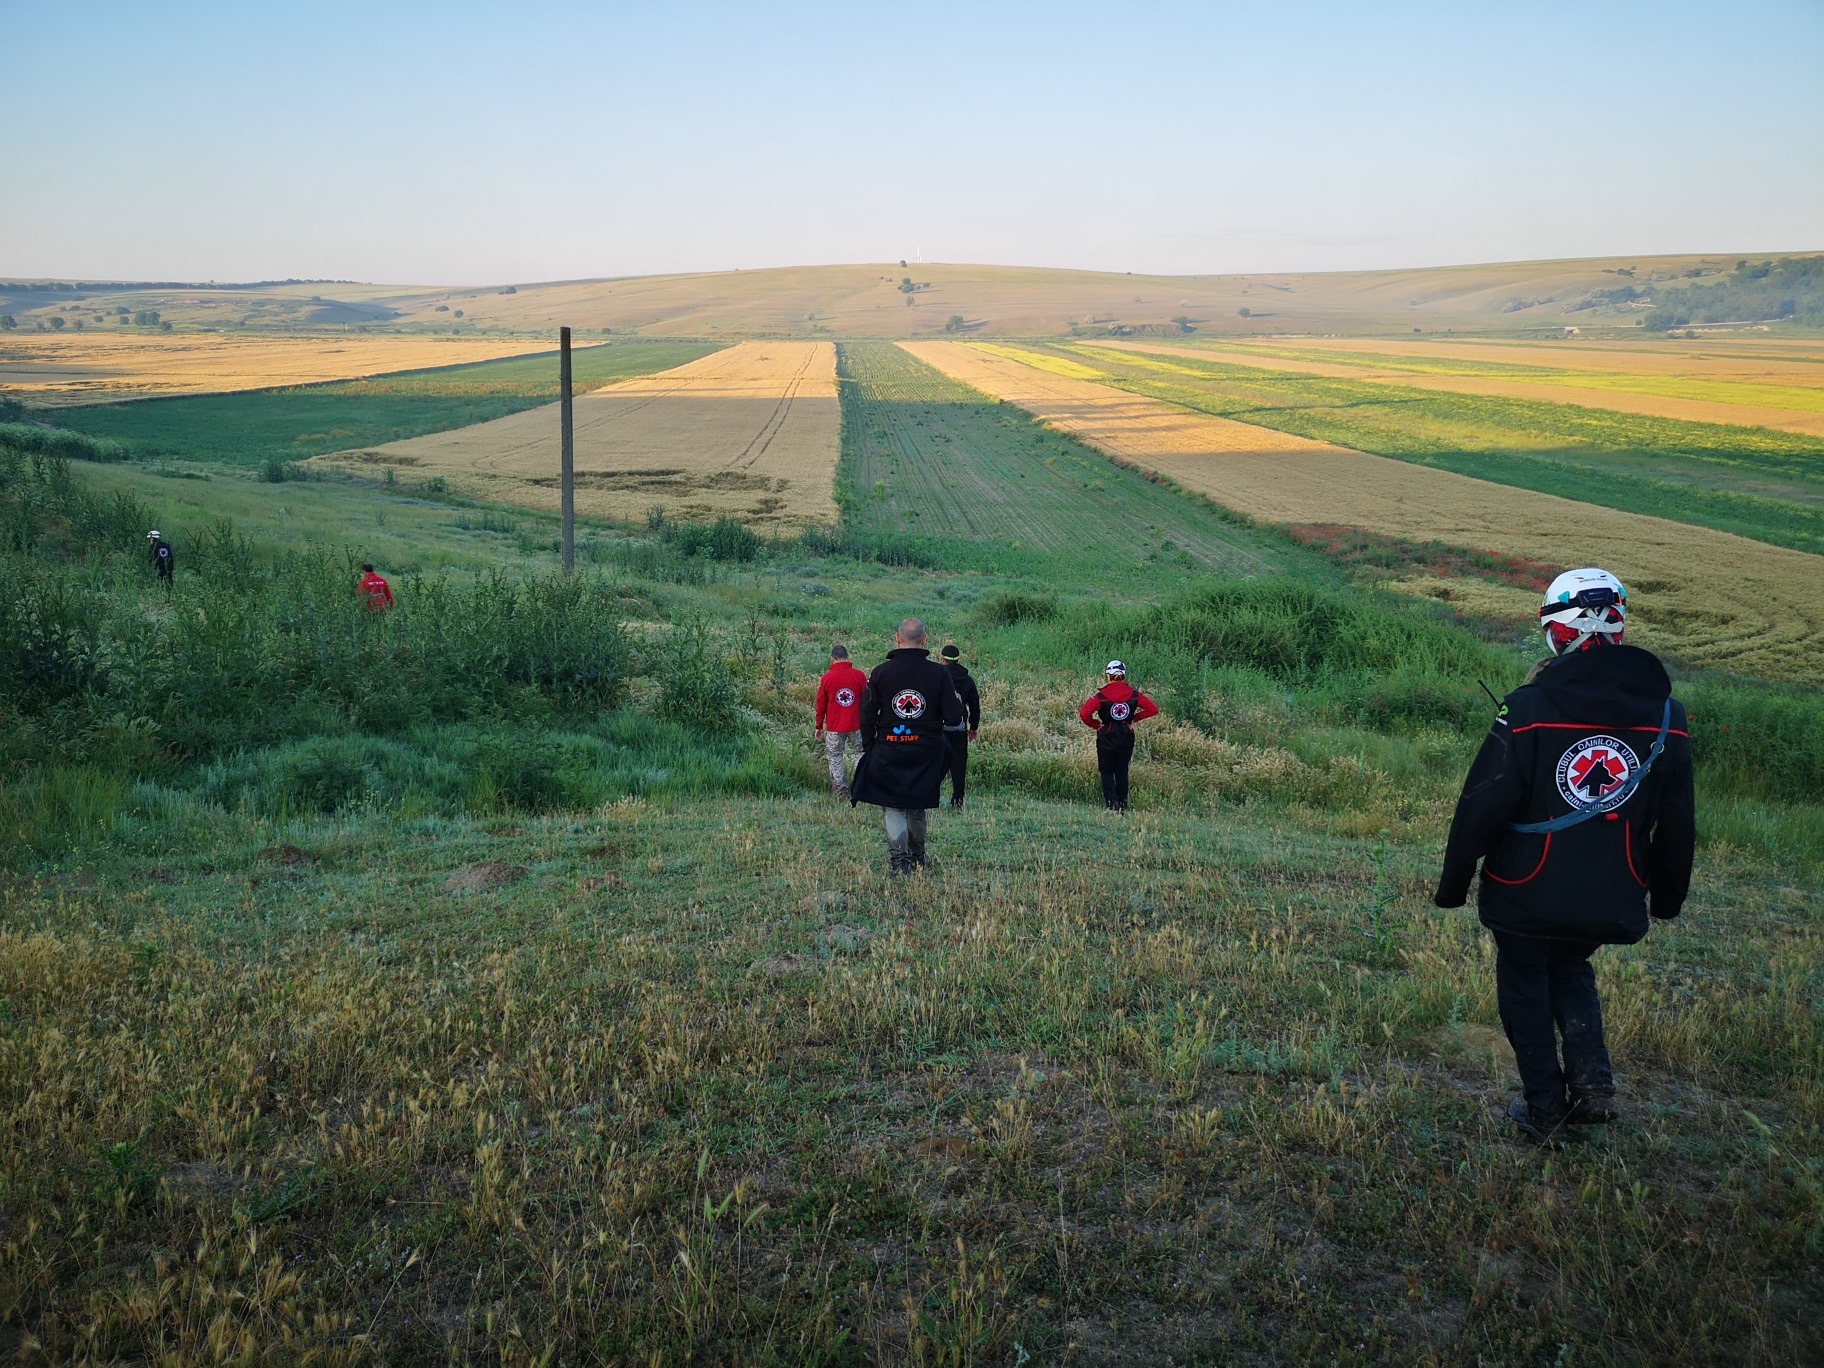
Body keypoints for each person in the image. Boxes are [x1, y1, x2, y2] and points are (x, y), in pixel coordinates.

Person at [1434, 568, 1695, 1146]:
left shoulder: (1529, 706)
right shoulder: (1669, 717)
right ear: (1619, 631)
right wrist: (1667, 897)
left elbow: (1482, 803)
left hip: (1527, 883)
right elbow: (1678, 822)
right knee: (1572, 965)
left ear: (1556, 634)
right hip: (1614, 887)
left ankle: (1546, 1110)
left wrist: (1454, 884)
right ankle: (1593, 1082)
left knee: (1525, 980)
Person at [851, 617, 962, 876]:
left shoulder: (880, 673)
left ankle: (900, 863)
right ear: (925, 640)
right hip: (926, 751)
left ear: (897, 639)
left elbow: (866, 714)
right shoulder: (940, 673)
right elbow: (955, 717)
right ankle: (919, 858)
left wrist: (871, 747)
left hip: (889, 748)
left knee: (893, 805)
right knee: (917, 804)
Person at [1078, 660, 1158, 813]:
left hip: (1106, 736)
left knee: (1106, 770)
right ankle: (1122, 804)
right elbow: (1153, 709)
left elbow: (1084, 713)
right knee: (1122, 770)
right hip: (1127, 736)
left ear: (1109, 676)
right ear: (1123, 676)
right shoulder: (1135, 695)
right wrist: (1133, 719)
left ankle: (1111, 804)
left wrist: (1097, 725)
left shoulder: (1101, 696)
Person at [814, 643, 867, 800]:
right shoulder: (859, 676)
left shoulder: (827, 678)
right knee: (859, 753)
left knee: (835, 756)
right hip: (857, 724)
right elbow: (867, 701)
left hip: (835, 726)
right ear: (847, 657)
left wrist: (818, 726)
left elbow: (821, 704)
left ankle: (840, 791)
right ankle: (859, 788)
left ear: (832, 658)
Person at [939, 643, 981, 809]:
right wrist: (974, 727)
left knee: (937, 764)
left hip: (939, 729)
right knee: (959, 766)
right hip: (960, 728)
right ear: (958, 660)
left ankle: (930, 798)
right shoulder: (967, 680)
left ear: (942, 659)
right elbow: (975, 706)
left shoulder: (938, 677)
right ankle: (957, 801)